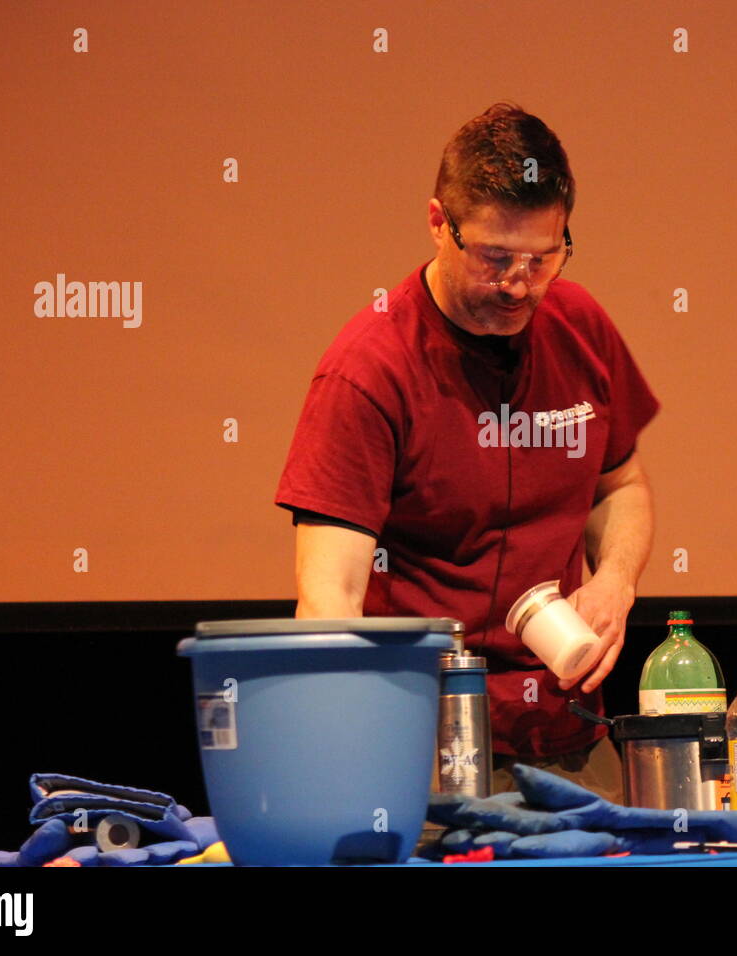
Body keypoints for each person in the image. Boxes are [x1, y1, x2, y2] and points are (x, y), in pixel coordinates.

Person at [274, 103, 659, 804]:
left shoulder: (581, 327)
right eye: (493, 257)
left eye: (543, 258)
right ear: (436, 224)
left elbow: (621, 486)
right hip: (423, 750)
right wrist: (352, 759)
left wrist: (615, 583)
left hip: (571, 738)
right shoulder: (367, 372)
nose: (518, 284)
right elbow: (329, 599)